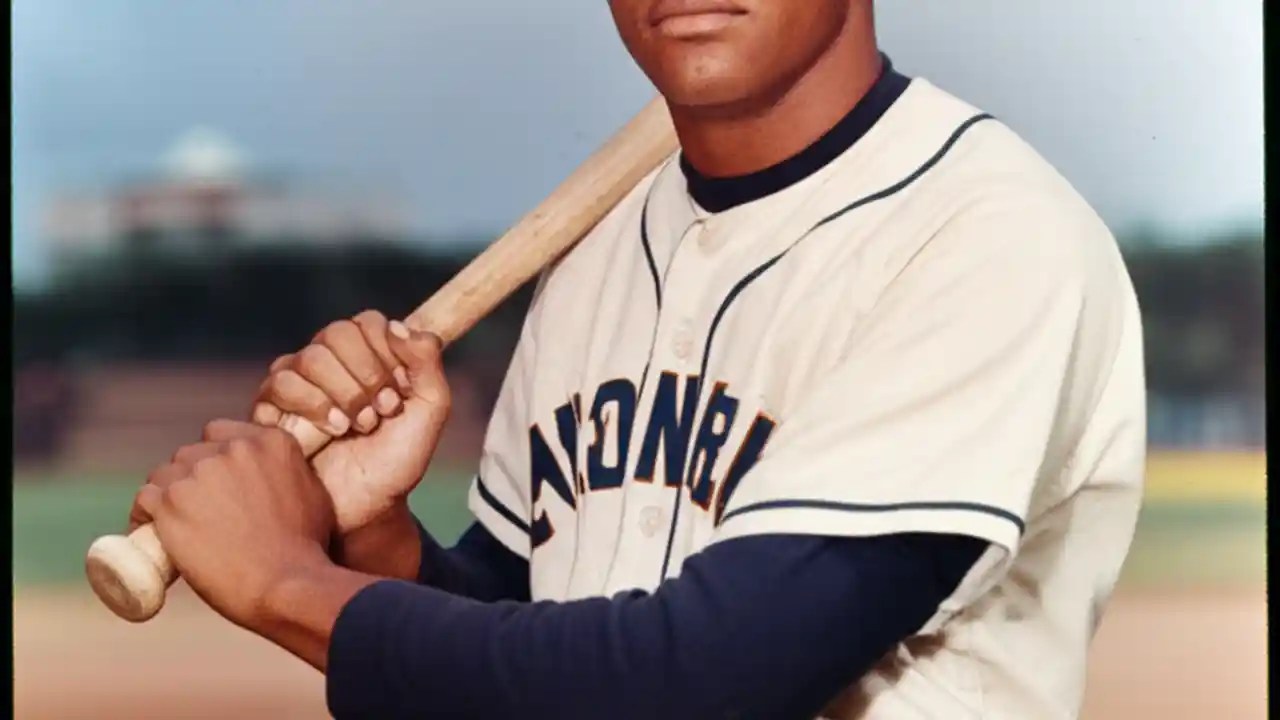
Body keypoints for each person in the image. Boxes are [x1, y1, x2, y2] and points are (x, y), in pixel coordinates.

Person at [128, 1, 1147, 717]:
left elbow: (702, 684)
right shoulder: (591, 251)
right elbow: (526, 633)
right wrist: (378, 542)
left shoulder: (984, 238)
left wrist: (282, 583)